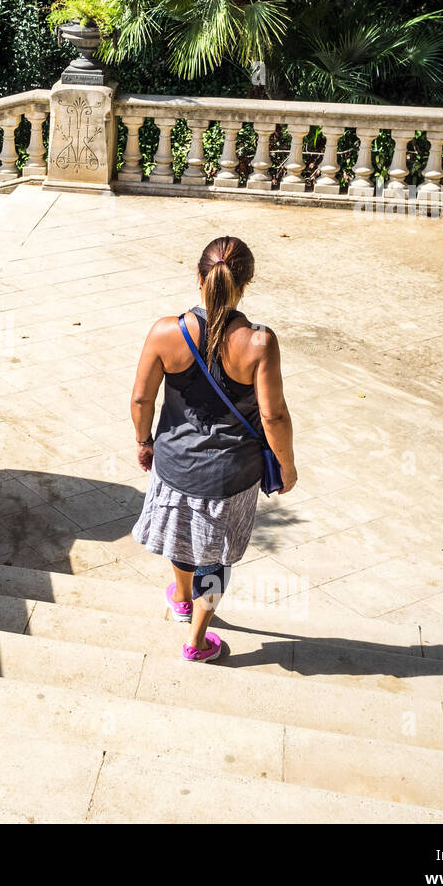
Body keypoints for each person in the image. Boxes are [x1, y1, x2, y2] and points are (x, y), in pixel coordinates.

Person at [130, 236, 297, 662]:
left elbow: (141, 400)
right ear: (248, 282)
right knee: (214, 558)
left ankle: (181, 597)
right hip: (230, 476)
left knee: (182, 537)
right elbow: (274, 416)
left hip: (174, 464)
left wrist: (144, 441)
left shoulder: (166, 331)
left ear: (199, 276)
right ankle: (197, 640)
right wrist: (287, 466)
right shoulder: (259, 343)